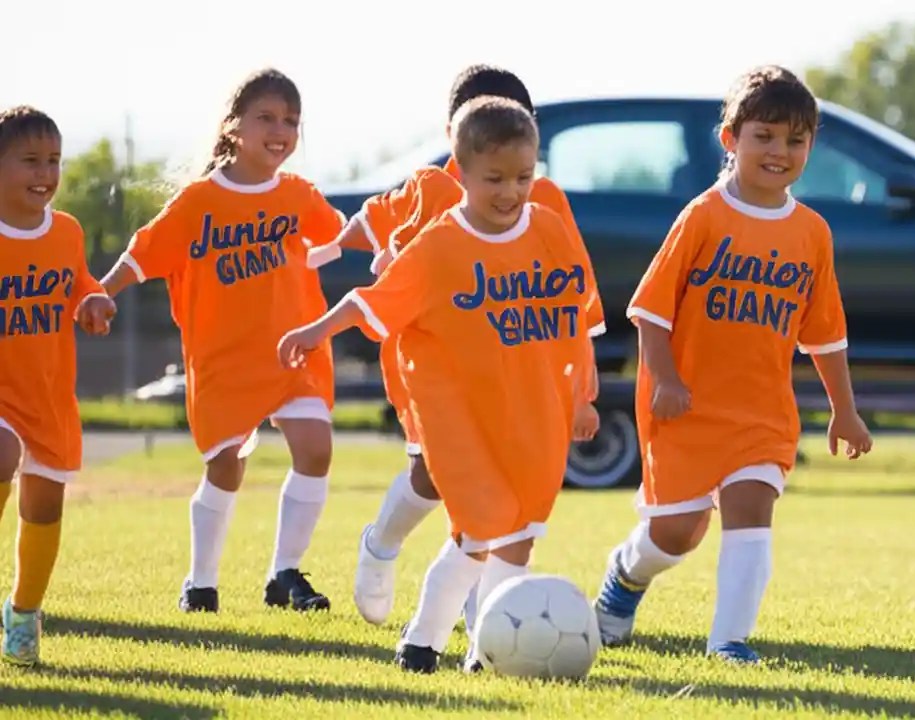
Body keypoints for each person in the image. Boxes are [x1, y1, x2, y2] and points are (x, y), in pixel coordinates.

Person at [277, 96, 602, 673]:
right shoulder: (440, 246)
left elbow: (575, 317)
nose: (510, 192)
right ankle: (423, 642)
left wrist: (583, 396)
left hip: (536, 419)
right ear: (463, 171)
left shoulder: (548, 229)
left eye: (524, 177)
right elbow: (369, 303)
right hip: (464, 423)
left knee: (519, 537)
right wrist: (315, 329)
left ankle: (485, 650)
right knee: (479, 530)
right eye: (494, 179)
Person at [591, 65, 874, 664]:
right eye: (764, 136)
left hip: (761, 413)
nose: (780, 151)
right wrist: (665, 378)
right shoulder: (703, 216)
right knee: (677, 534)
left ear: (811, 146)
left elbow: (825, 334)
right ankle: (625, 578)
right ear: (731, 140)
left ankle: (728, 642)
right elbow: (649, 312)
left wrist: (845, 411)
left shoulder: (812, 233)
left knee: (751, 510)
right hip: (685, 406)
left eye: (796, 140)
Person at [99, 69, 344, 614]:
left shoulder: (300, 195)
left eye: (291, 122)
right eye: (267, 118)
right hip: (223, 362)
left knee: (316, 447)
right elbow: (141, 253)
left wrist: (388, 246)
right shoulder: (198, 202)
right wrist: (101, 293)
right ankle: (201, 581)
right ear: (233, 127)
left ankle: (285, 573)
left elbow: (338, 239)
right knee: (225, 465)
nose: (280, 131)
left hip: (293, 352)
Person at [0, 106, 116, 665]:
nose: (44, 172)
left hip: (46, 396)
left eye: (53, 160)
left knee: (43, 509)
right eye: (29, 161)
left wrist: (92, 299)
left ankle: (22, 615)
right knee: (2, 453)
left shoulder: (66, 230)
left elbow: (78, 284)